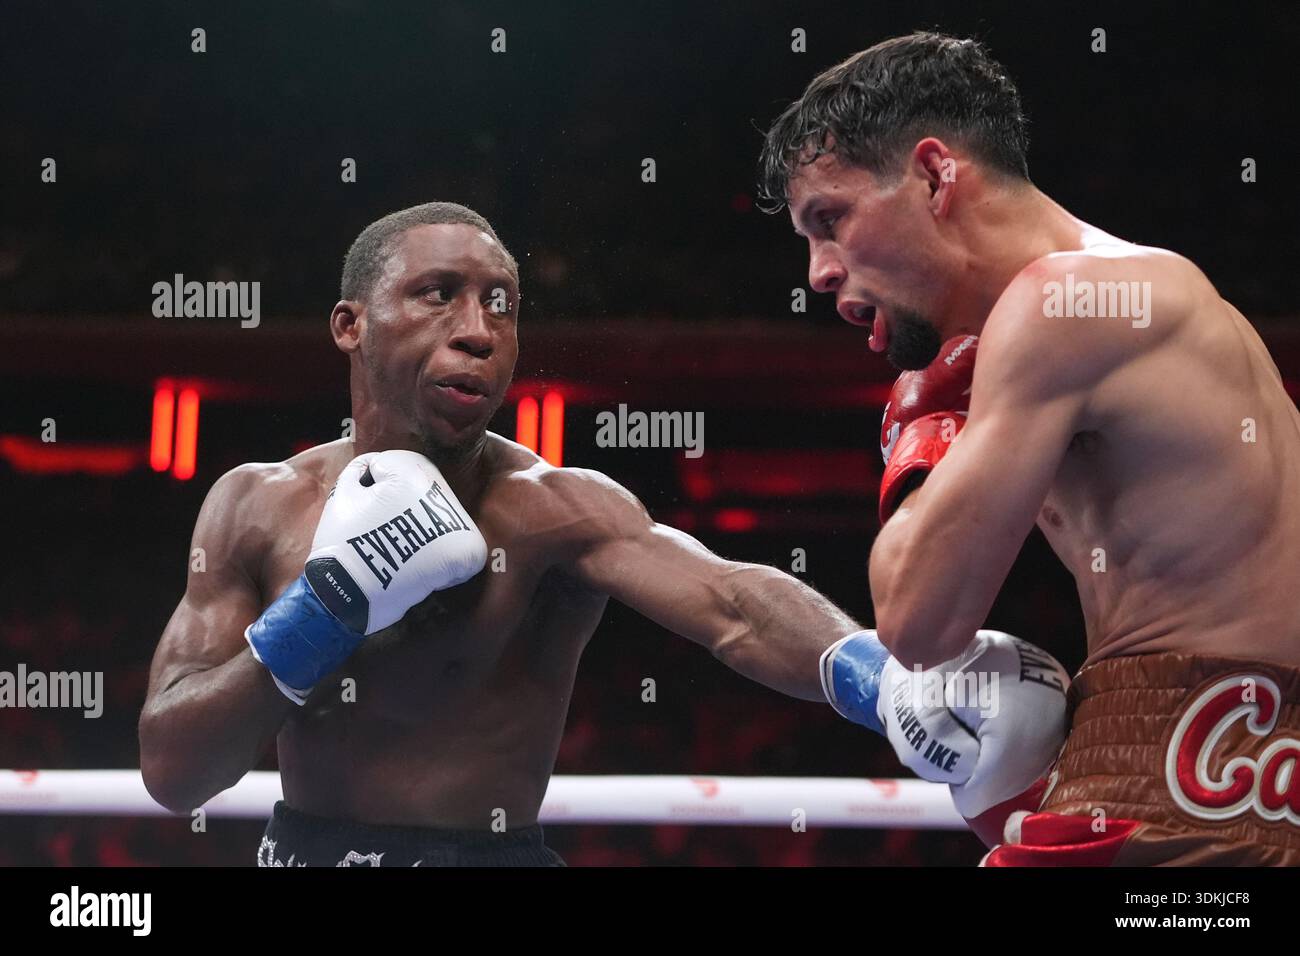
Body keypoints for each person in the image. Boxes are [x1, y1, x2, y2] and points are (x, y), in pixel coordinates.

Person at [138, 201, 1067, 866]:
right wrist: (327, 606)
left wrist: (885, 684)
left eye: (501, 303)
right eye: (438, 295)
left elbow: (732, 603)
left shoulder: (553, 507)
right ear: (350, 325)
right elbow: (174, 772)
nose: (479, 331)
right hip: (298, 851)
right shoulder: (253, 504)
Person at [760, 31, 1300, 865]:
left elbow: (920, 624)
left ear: (935, 175)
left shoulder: (1063, 306)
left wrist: (919, 440)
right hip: (1232, 775)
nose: (818, 272)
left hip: (1182, 797)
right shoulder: (1146, 295)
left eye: (829, 221)